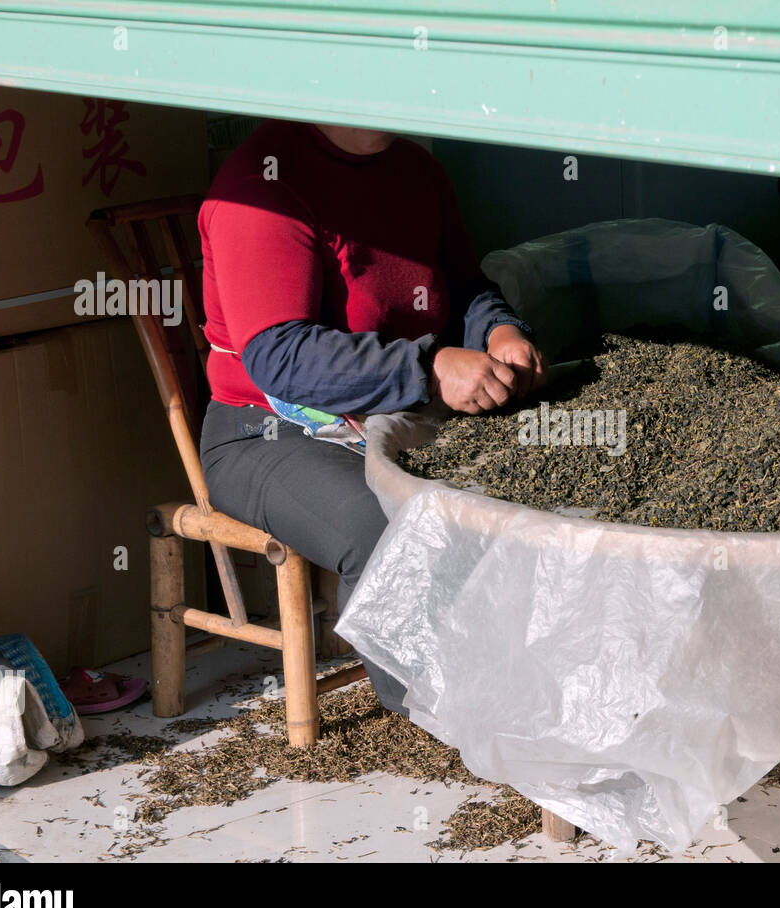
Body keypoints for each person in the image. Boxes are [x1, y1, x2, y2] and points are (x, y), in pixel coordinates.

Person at [197, 120, 548, 714]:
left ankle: (529, 680)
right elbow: (281, 358)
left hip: (397, 416)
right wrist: (432, 368)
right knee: (385, 526)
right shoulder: (261, 185)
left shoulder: (416, 171)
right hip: (266, 433)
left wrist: (499, 330)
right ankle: (441, 714)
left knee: (537, 477)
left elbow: (464, 288)